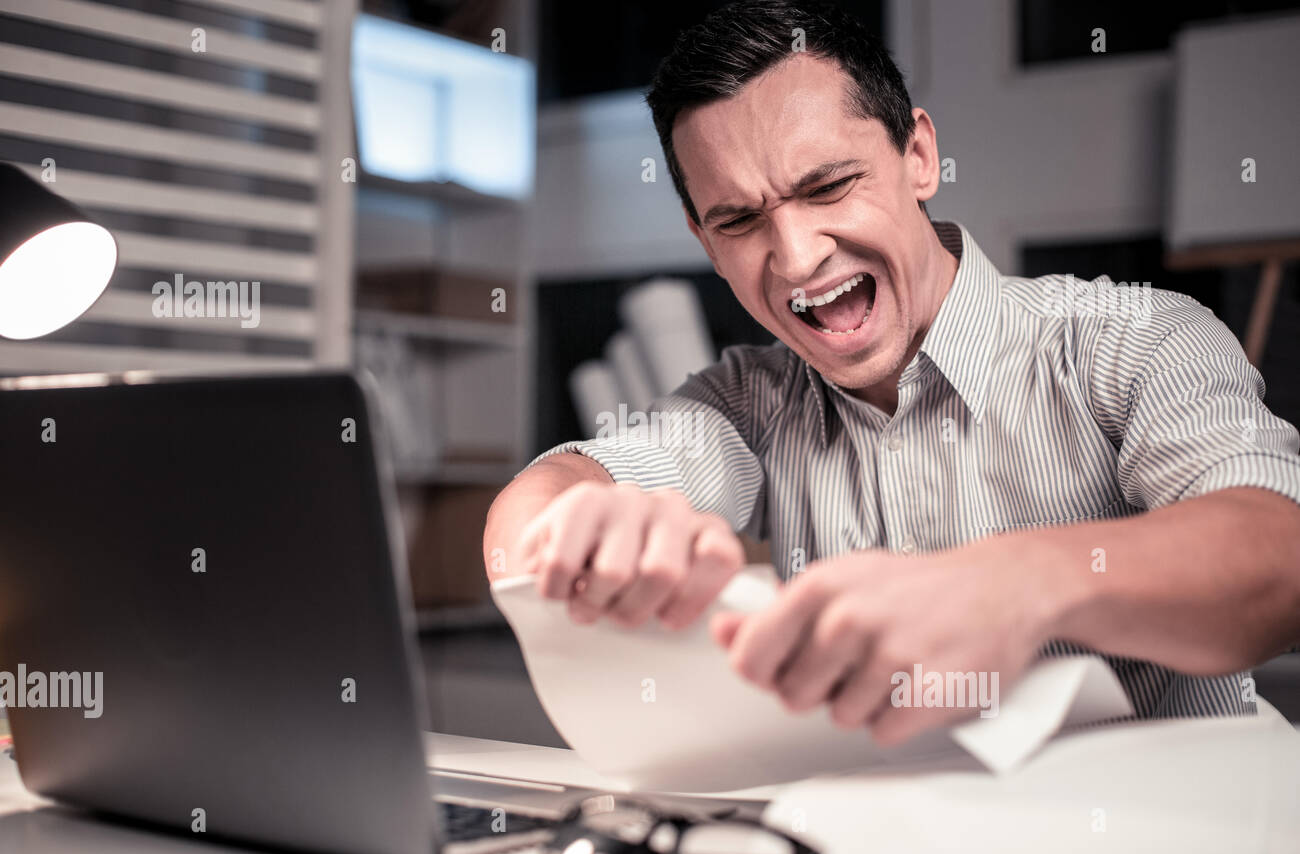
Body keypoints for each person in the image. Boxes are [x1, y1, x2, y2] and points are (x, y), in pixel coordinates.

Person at [483, 0, 1300, 746]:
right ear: (705, 241)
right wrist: (576, 539)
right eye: (739, 220)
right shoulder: (746, 401)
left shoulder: (1135, 338)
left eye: (830, 185)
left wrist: (1019, 582)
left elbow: (1278, 558)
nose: (798, 258)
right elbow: (536, 509)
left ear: (917, 155)